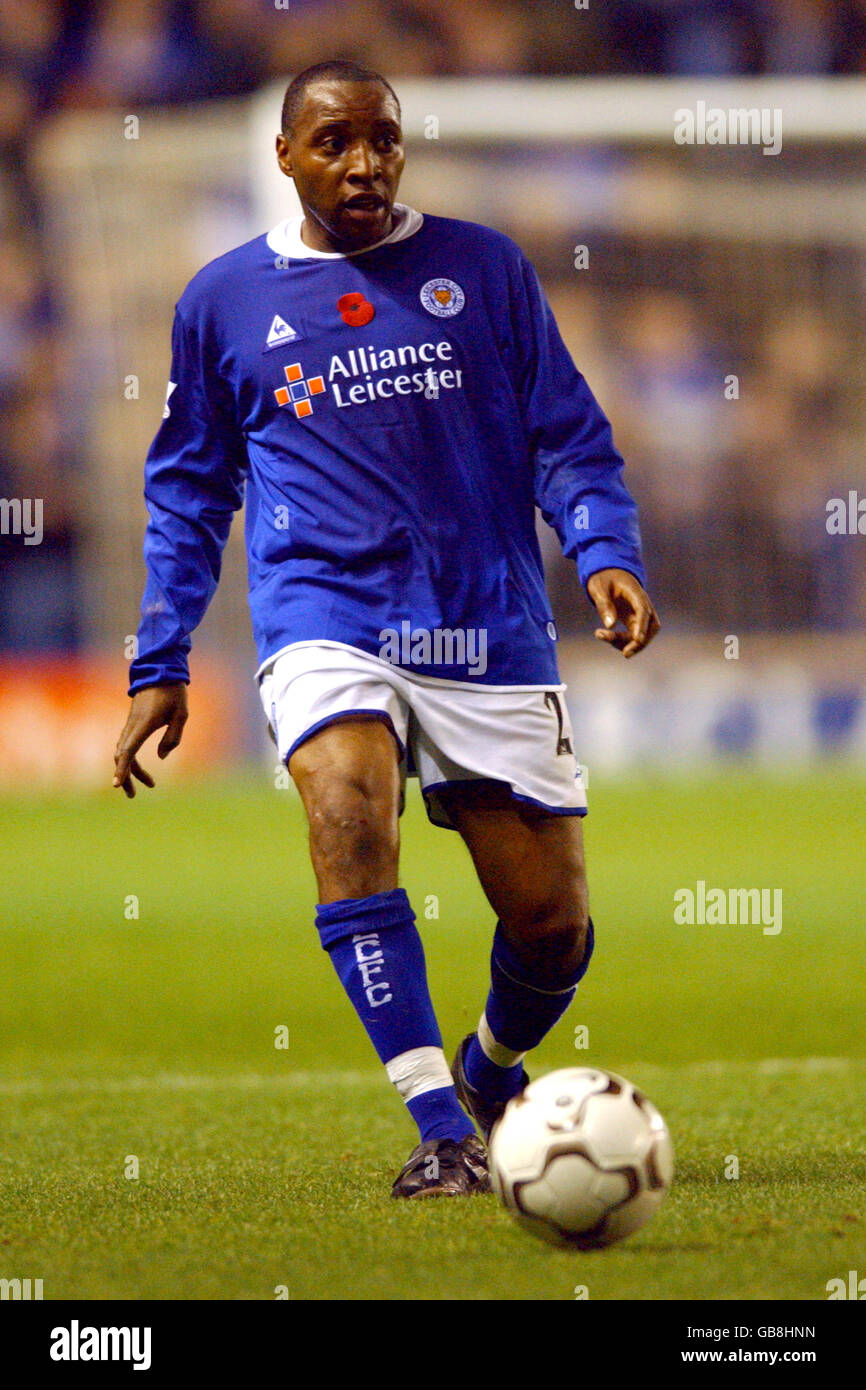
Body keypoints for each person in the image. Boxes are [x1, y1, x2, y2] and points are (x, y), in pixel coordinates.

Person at [113, 59, 660, 1199]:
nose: (361, 163)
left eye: (381, 140)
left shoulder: (482, 268)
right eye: (332, 143)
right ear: (283, 157)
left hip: (483, 622)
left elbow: (565, 434)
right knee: (347, 808)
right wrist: (159, 657)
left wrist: (603, 551)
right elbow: (186, 489)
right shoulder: (222, 302)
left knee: (551, 925)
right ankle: (437, 1128)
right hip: (325, 614)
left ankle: (489, 1072)